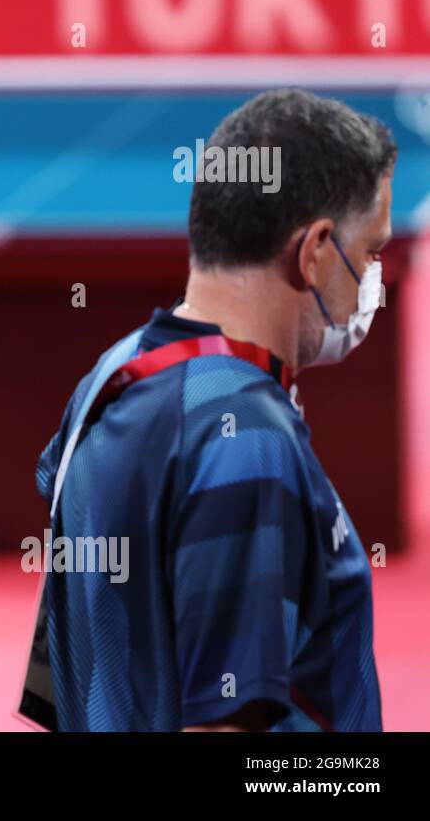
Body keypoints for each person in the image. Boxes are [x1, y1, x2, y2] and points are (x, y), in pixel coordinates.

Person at [20, 88, 392, 731]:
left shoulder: (109, 375)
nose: (374, 281)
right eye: (371, 253)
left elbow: (65, 679)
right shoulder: (245, 440)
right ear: (315, 252)